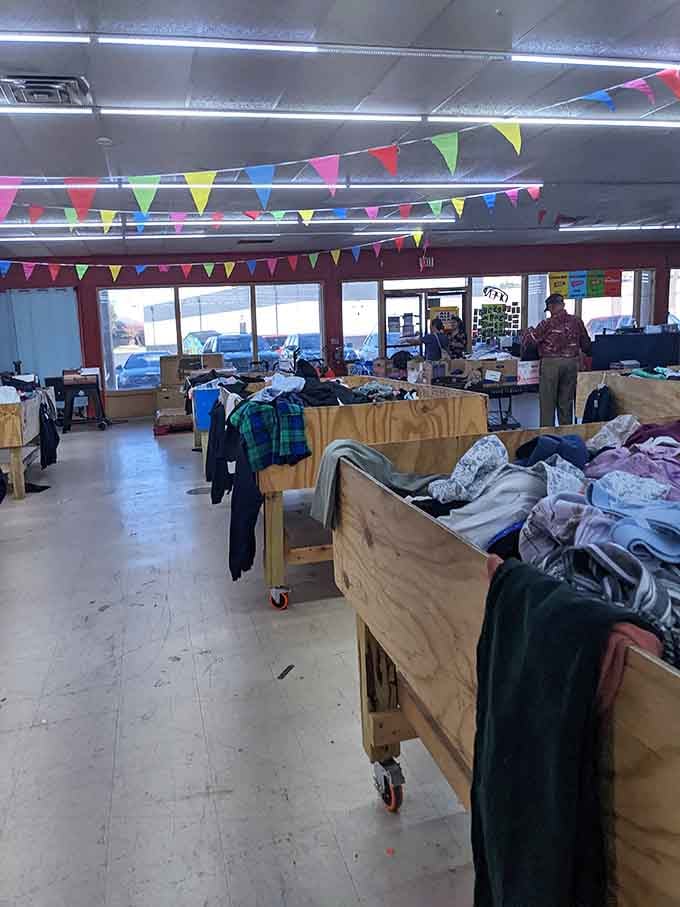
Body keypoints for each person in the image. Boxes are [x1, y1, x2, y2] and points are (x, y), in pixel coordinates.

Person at [523, 293, 592, 426]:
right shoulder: (576, 321)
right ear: (563, 305)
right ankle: (566, 437)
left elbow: (531, 342)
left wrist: (528, 331)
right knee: (566, 403)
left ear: (550, 307)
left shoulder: (546, 323)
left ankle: (548, 437)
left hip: (551, 364)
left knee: (547, 404)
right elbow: (586, 344)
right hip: (571, 364)